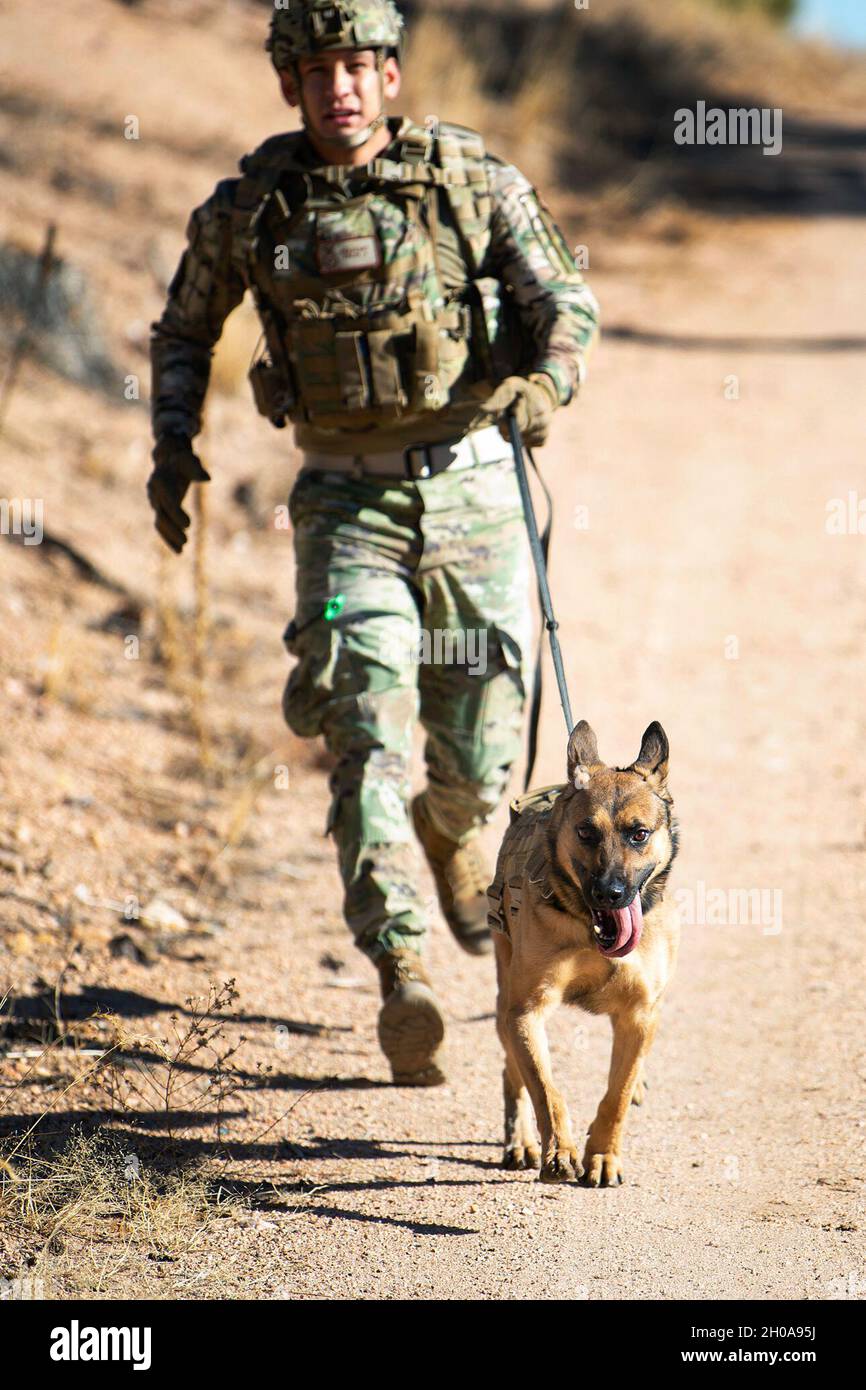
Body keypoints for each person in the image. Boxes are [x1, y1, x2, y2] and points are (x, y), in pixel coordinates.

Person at [147, 0, 599, 1087]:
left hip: (474, 492)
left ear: (390, 75)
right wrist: (172, 441)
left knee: (481, 761)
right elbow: (183, 329)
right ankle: (402, 970)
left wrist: (546, 380)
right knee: (361, 727)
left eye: (356, 65)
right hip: (344, 505)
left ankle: (450, 839)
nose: (337, 87)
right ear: (287, 87)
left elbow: (565, 304)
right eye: (314, 70)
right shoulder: (254, 204)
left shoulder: (467, 182)